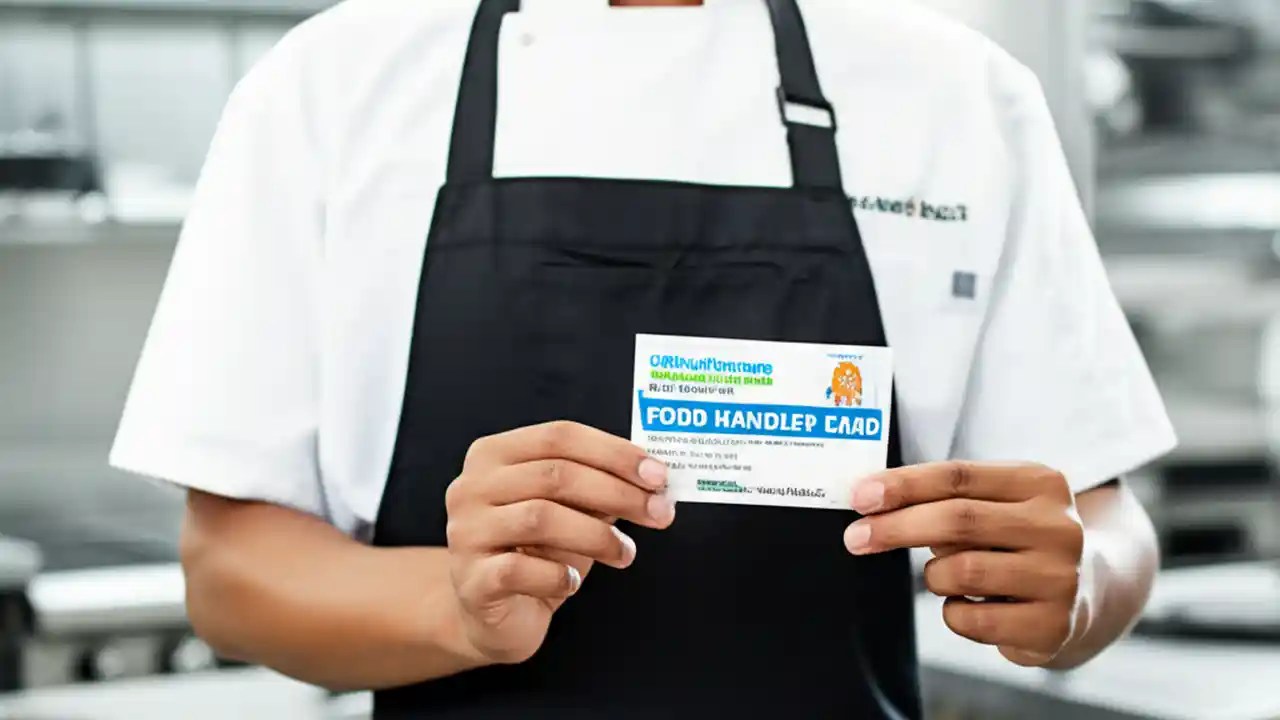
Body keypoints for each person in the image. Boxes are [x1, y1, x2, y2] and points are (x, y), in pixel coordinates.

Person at [110, 0, 1177, 717]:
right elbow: (229, 570)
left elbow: (1102, 515)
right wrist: (455, 603)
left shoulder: (955, 93)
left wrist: (1076, 591)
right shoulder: (332, 85)